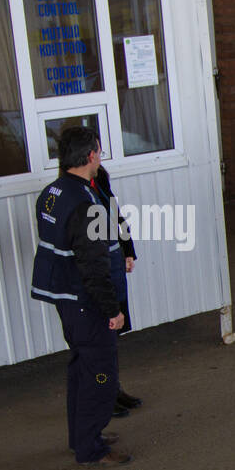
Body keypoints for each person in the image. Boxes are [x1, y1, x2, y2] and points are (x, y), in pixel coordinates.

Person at [29, 127, 130, 467]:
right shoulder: (86, 204)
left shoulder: (53, 192)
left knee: (81, 367)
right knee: (101, 374)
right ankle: (91, 448)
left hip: (64, 296)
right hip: (84, 300)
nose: (100, 157)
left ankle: (81, 437)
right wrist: (112, 310)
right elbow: (93, 268)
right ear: (90, 156)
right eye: (99, 152)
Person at [90, 164, 142, 418]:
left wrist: (128, 249)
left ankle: (114, 389)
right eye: (97, 151)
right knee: (100, 341)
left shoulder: (99, 180)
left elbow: (116, 216)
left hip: (114, 268)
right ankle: (102, 395)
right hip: (98, 275)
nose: (99, 158)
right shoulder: (76, 193)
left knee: (112, 339)